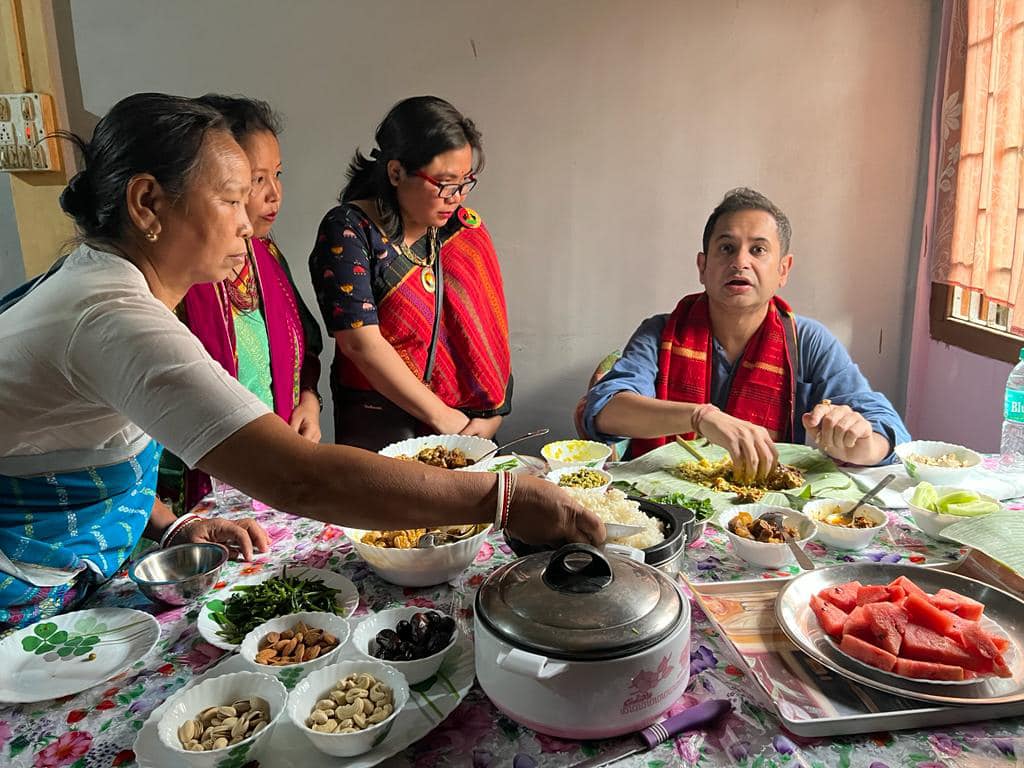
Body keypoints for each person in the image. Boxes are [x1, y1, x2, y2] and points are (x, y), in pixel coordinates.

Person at [0, 93, 603, 630]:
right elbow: (300, 477)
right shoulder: (111, 315)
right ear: (148, 202)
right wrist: (503, 500)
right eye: (233, 198)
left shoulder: (104, 290)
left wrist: (170, 524)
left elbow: (86, 443)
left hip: (66, 573)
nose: (248, 223)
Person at [580, 187, 910, 480]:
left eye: (758, 250)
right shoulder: (660, 333)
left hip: (765, 516)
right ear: (702, 266)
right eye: (726, 248)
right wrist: (699, 417)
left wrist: (857, 442)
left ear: (783, 270)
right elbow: (604, 411)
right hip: (667, 507)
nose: (740, 261)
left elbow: (890, 433)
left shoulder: (806, 341)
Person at [309, 96, 511, 451]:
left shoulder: (464, 230)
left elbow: (491, 331)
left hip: (470, 426)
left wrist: (493, 414)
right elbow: (359, 342)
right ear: (396, 172)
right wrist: (443, 419)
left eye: (466, 182)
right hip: (383, 424)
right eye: (446, 183)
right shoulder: (350, 230)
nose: (457, 197)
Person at [157, 95, 323, 514]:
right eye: (254, 180)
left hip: (274, 473)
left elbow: (306, 345)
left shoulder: (267, 256)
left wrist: (309, 401)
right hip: (198, 493)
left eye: (278, 175)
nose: (274, 195)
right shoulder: (175, 279)